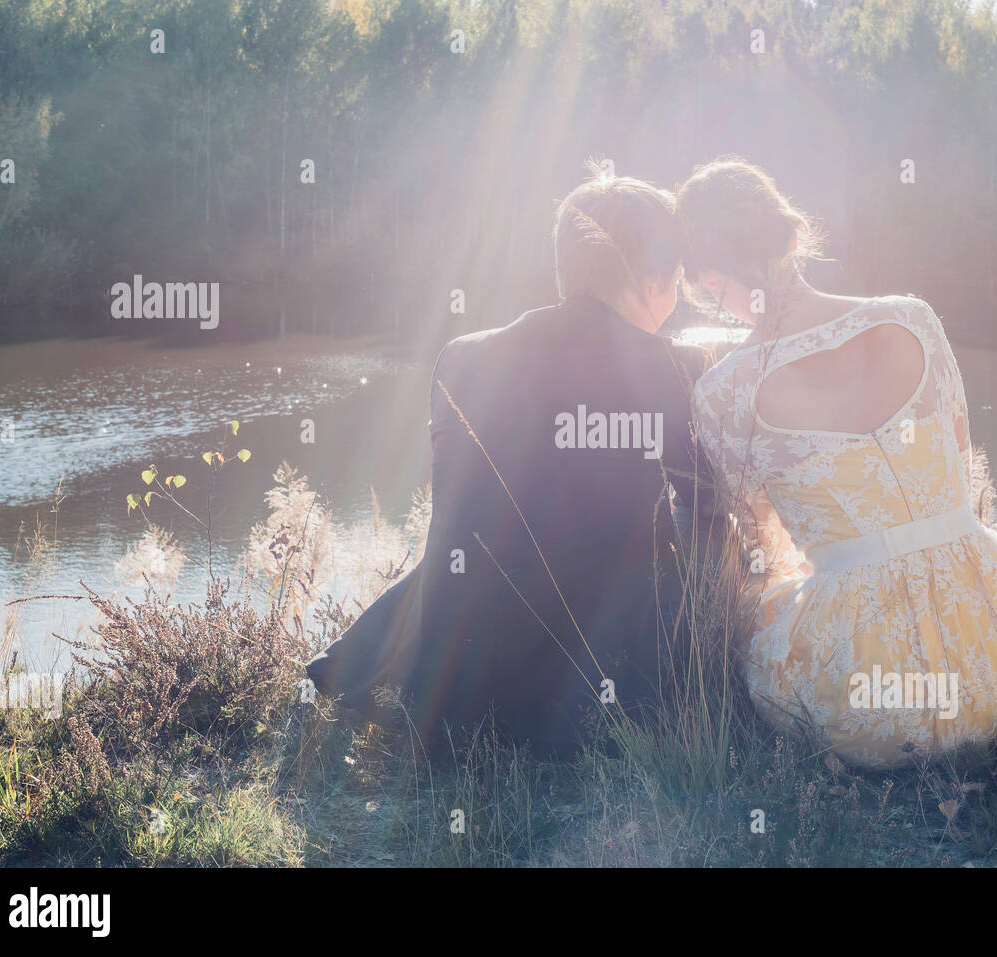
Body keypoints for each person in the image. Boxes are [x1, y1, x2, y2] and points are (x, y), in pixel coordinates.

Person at [306, 169, 714, 757]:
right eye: (674, 282)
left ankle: (346, 664)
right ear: (654, 280)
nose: (673, 302)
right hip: (604, 692)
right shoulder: (677, 366)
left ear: (563, 270)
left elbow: (471, 503)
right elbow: (709, 511)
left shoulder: (462, 356)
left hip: (457, 686)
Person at [678, 157, 997, 768]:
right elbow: (960, 469)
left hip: (870, 702)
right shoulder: (910, 319)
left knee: (767, 614)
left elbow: (763, 549)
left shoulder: (723, 390)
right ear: (793, 237)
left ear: (706, 277)